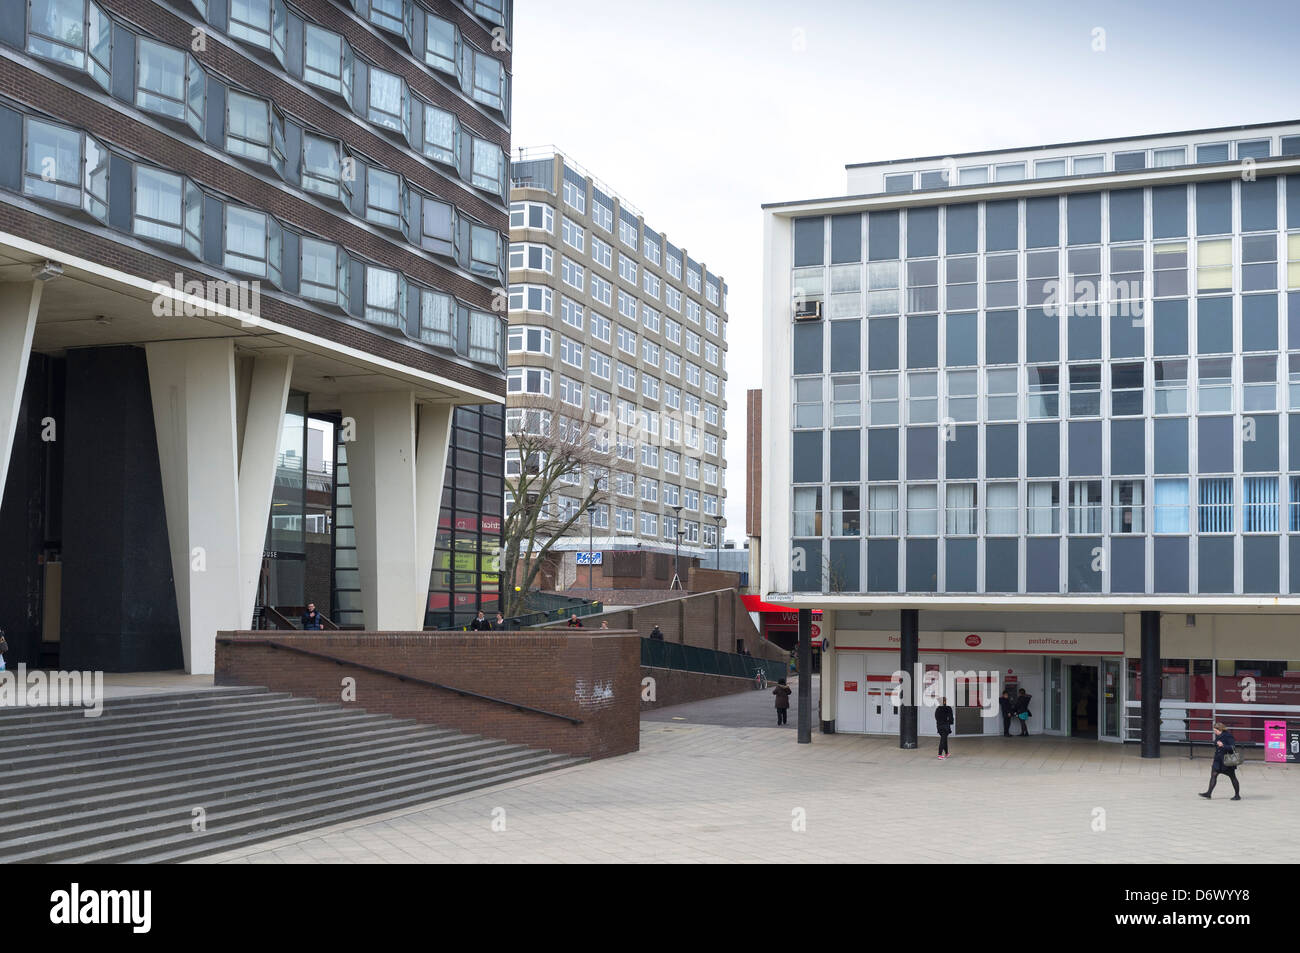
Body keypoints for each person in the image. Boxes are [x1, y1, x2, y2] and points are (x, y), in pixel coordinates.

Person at [1200, 722, 1242, 800]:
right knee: (1213, 775)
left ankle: (1237, 795)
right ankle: (1208, 793)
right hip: (1218, 760)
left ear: (1220, 729)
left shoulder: (1228, 736)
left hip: (1227, 761)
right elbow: (1216, 744)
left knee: (1232, 777)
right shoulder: (1218, 735)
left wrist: (1223, 745)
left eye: (1215, 730)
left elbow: (1232, 747)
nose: (1214, 732)